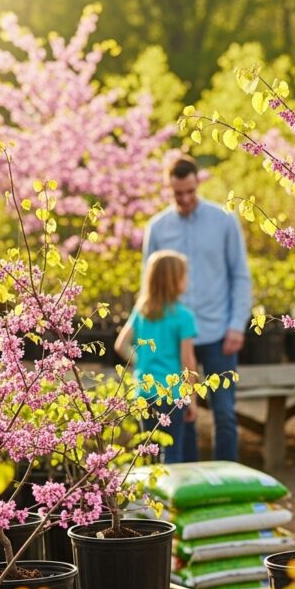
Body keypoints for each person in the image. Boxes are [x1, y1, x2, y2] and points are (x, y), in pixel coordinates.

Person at [143, 155, 252, 461]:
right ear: (169, 188)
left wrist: (236, 325)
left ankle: (227, 480)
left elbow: (240, 275)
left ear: (197, 184)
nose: (186, 199)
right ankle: (188, 485)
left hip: (219, 331)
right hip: (175, 338)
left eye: (190, 191)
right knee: (183, 413)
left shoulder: (224, 220)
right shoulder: (158, 228)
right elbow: (149, 286)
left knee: (225, 414)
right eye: (179, 194)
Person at [115, 250, 199, 464]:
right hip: (172, 394)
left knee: (148, 450)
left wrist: (141, 361)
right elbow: (188, 362)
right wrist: (193, 400)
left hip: (143, 391)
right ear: (174, 280)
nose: (187, 280)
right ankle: (168, 496)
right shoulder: (183, 316)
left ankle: (149, 496)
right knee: (171, 449)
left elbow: (121, 345)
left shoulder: (142, 311)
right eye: (184, 275)